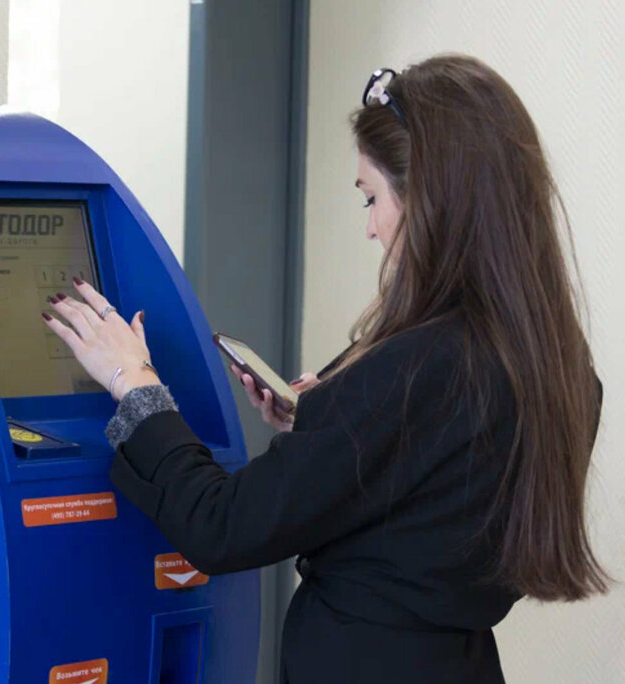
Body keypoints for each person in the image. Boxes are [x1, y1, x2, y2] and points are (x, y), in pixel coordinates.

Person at [40, 54, 605, 683]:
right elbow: (427, 495)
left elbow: (222, 527)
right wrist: (325, 430)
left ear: (432, 199)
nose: (371, 228)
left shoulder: (416, 368)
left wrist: (132, 381)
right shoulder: (560, 367)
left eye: (371, 198)